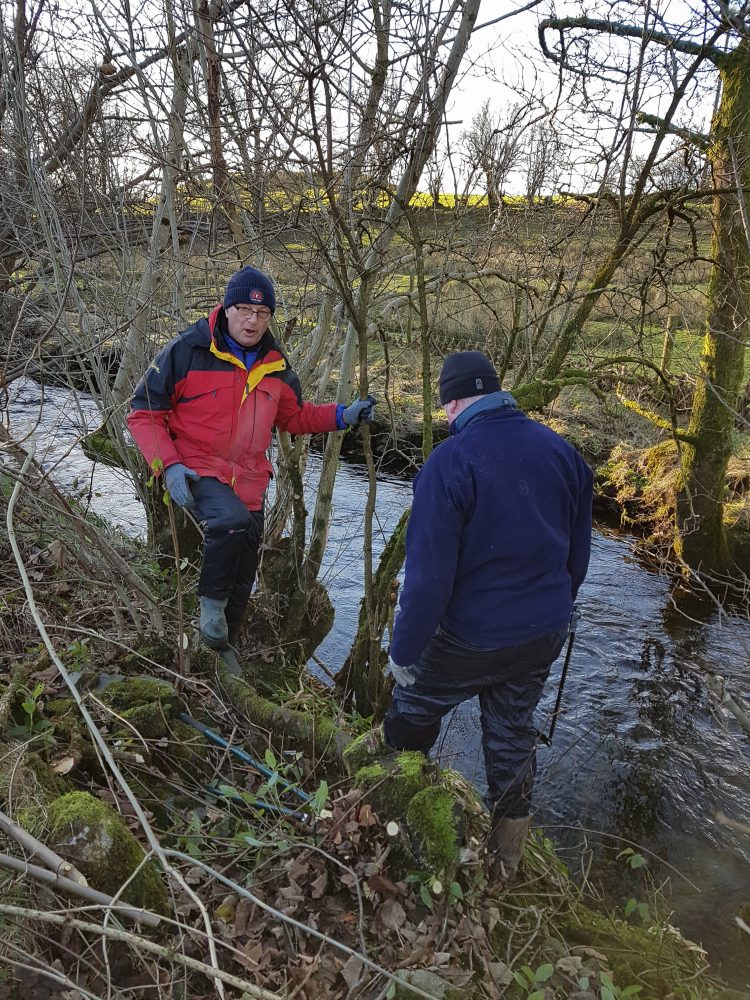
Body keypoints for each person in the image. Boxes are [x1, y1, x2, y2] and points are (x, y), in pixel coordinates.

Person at [384, 350, 592, 881]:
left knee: (412, 706)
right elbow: (577, 560)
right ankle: (507, 860)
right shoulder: (563, 453)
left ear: (451, 403)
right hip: (544, 630)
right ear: (497, 392)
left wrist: (404, 653)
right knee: (511, 735)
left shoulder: (449, 463)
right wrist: (548, 612)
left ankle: (397, 801)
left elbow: (428, 581)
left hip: (470, 637)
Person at [127, 265, 376, 648]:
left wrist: (342, 415)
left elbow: (295, 417)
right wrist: (169, 465)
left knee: (244, 574)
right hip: (197, 469)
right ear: (226, 308)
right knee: (230, 520)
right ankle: (209, 609)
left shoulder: (274, 365)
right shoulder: (187, 351)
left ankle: (218, 649)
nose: (252, 320)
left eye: (262, 313)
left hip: (248, 479)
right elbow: (143, 411)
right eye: (244, 309)